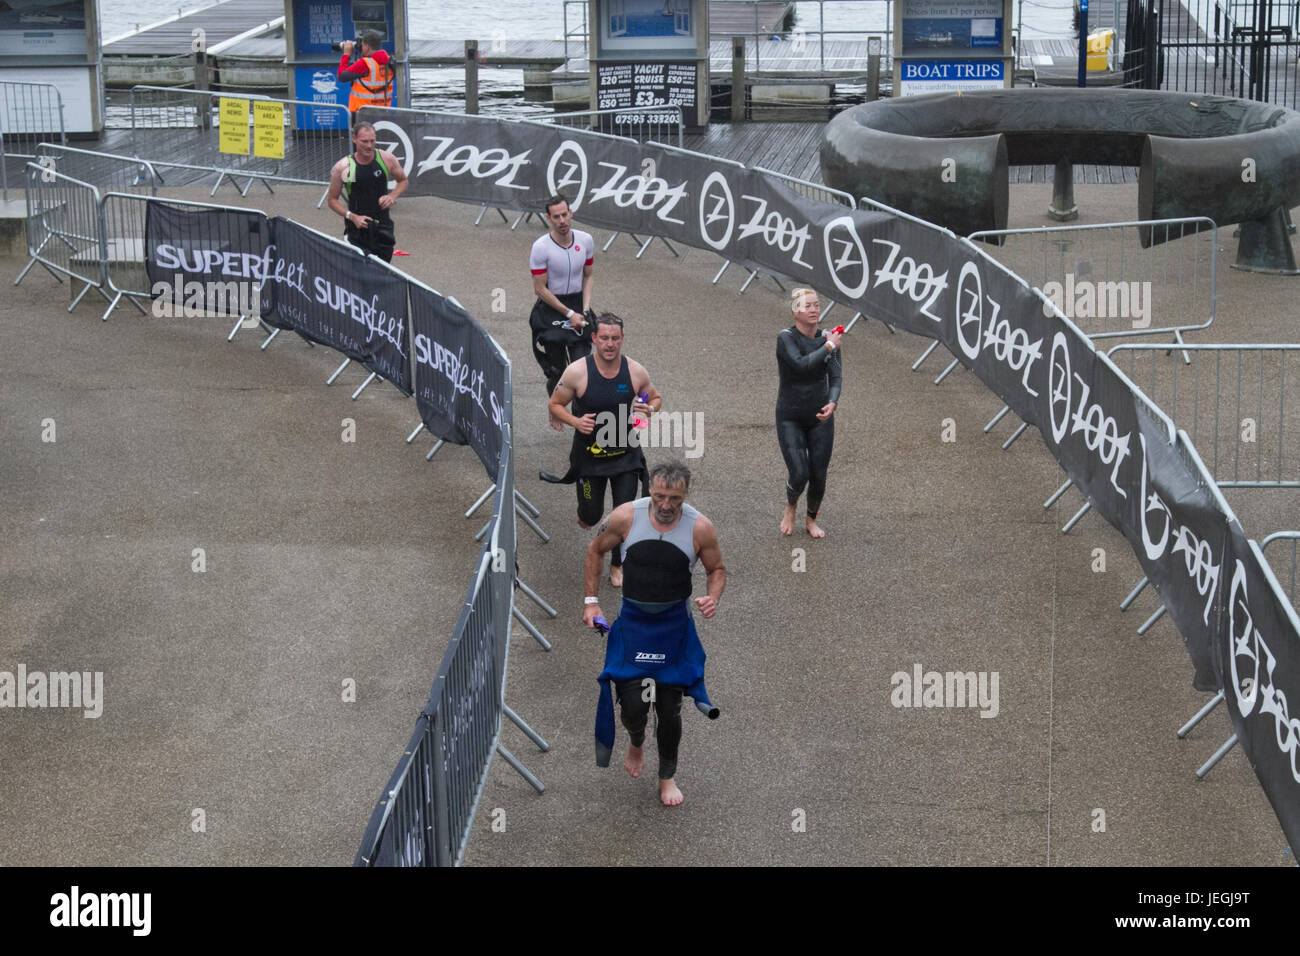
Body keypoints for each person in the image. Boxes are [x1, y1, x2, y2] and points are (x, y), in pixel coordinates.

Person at [584, 461, 726, 807]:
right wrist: (591, 603)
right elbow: (595, 550)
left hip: (673, 625)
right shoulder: (625, 517)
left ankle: (667, 776)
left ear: (685, 496)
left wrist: (713, 596)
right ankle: (636, 739)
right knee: (633, 703)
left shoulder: (700, 528)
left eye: (674, 499)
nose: (665, 505)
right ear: (649, 490)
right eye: (659, 496)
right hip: (633, 622)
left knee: (669, 706)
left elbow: (717, 569)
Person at [545, 312, 660, 586]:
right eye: (604, 338)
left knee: (624, 517)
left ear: (622, 340)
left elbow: (653, 397)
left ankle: (617, 565)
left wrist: (647, 408)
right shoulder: (577, 372)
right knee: (591, 515)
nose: (610, 344)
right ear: (594, 339)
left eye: (615, 339)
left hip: (626, 458)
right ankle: (585, 512)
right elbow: (555, 404)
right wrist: (575, 421)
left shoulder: (634, 371)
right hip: (589, 461)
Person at [777, 287, 842, 538]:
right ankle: (791, 506)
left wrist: (833, 401)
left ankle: (811, 519)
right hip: (790, 415)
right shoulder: (785, 338)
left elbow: (836, 377)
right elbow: (801, 365)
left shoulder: (829, 338)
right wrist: (828, 346)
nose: (814, 309)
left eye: (816, 304)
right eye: (808, 306)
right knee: (799, 472)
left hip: (820, 416)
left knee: (818, 473)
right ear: (796, 312)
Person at [529, 193, 594, 400]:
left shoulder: (585, 240)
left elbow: (589, 275)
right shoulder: (540, 247)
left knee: (581, 371)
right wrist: (568, 313)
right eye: (556, 217)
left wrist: (584, 309)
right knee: (558, 373)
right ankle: (555, 405)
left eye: (564, 215)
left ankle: (580, 417)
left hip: (577, 303)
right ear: (549, 219)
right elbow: (540, 289)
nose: (562, 221)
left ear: (570, 213)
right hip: (552, 308)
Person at [326, 121, 408, 263]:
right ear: (354, 139)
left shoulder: (385, 159)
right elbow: (332, 200)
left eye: (372, 141)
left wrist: (392, 196)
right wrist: (352, 217)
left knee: (383, 272)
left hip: (383, 227)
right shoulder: (346, 167)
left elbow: (403, 181)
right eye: (364, 141)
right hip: (357, 230)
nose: (369, 146)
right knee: (359, 275)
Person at [337, 30, 395, 117]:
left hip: (362, 113)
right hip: (383, 112)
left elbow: (341, 77)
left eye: (363, 46)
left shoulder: (364, 64)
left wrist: (346, 54)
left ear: (367, 47)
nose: (361, 48)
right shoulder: (389, 61)